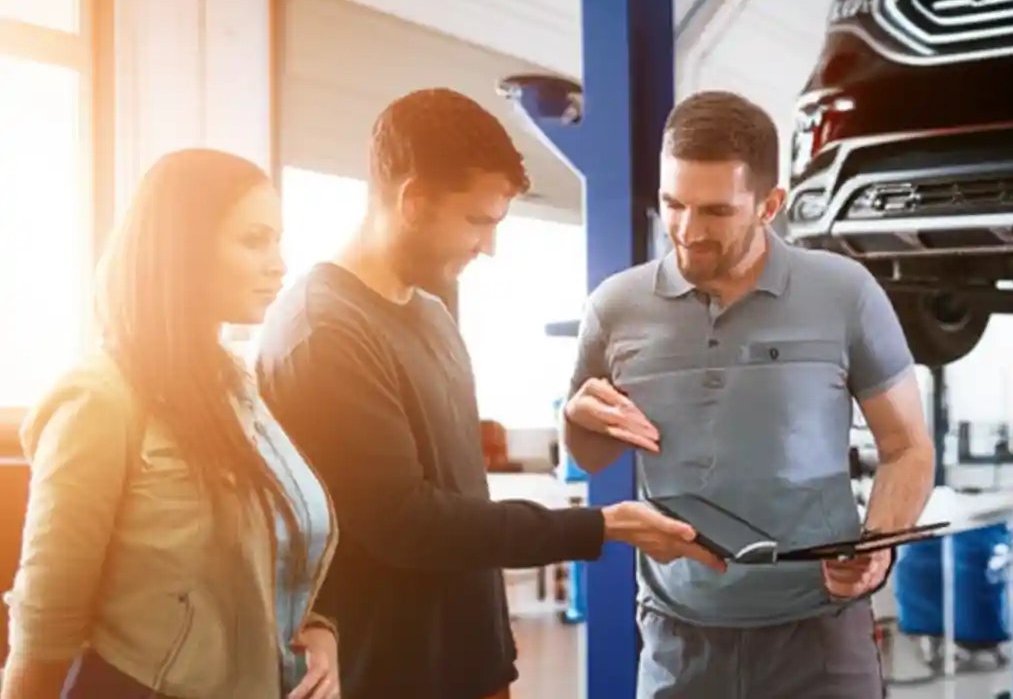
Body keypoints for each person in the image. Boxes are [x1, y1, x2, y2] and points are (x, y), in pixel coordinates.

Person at [254, 88, 724, 699]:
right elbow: (407, 524)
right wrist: (599, 526)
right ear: (414, 202)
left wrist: (495, 653)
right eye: (478, 221)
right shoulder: (323, 335)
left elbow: (459, 492)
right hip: (391, 675)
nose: (489, 246)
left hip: (469, 662)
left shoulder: (428, 310)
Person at [562, 90, 937, 697]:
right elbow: (590, 455)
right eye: (672, 204)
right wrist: (578, 423)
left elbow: (907, 447)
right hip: (678, 642)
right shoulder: (614, 307)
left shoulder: (846, 293)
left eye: (715, 212)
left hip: (819, 635)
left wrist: (876, 547)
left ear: (770, 205)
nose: (687, 232)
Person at [1, 149, 340, 699]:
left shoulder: (232, 384)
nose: (279, 264)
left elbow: (257, 554)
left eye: (277, 240)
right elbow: (46, 623)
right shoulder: (101, 397)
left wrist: (317, 632)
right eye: (254, 240)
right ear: (182, 249)